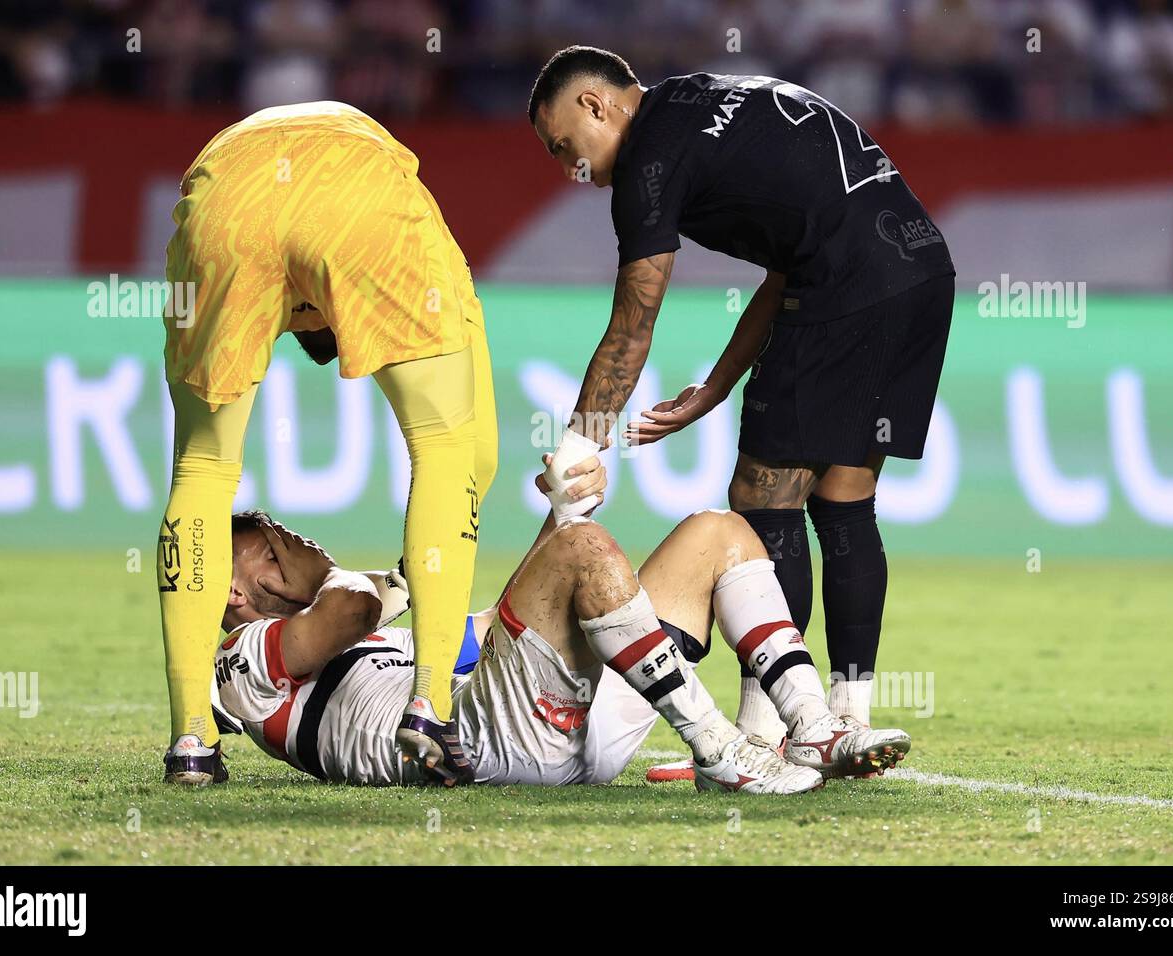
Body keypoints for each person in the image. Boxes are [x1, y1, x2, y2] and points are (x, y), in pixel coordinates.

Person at [527, 47, 955, 737]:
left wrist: (576, 450)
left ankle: (769, 729)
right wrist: (720, 385)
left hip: (846, 285)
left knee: (761, 500)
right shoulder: (701, 99)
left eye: (563, 147)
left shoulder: (649, 162)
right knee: (844, 500)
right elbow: (787, 267)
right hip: (920, 271)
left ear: (595, 105)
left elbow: (632, 328)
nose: (571, 169)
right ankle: (847, 716)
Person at [158, 100, 497, 785]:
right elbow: (477, 453)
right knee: (445, 446)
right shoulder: (402, 197)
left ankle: (191, 738)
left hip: (225, 197)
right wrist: (425, 571)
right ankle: (428, 704)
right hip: (357, 185)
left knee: (200, 468)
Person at [212, 498, 910, 790]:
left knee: (718, 534)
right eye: (274, 548)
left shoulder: (383, 644)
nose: (297, 541)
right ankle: (722, 749)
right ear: (236, 596)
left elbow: (496, 631)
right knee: (584, 551)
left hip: (545, 722)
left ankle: (813, 727)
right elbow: (343, 614)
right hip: (486, 748)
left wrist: (561, 510)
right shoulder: (236, 663)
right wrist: (361, 578)